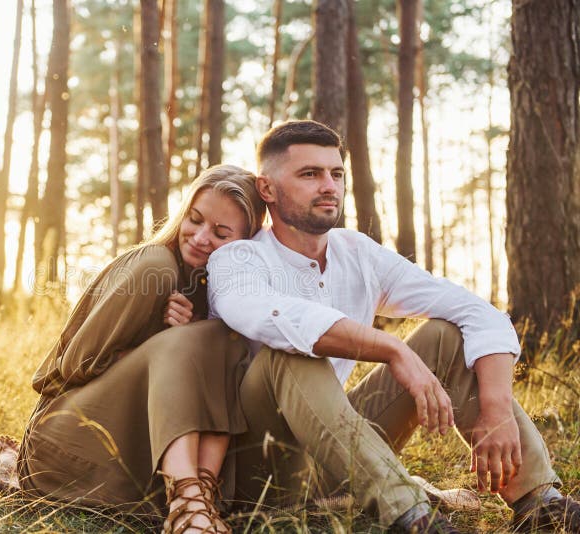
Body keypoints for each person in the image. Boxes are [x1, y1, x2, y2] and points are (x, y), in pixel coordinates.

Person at [205, 120, 580, 533]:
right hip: (258, 469)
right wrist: (393, 349)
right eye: (309, 174)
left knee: (445, 336)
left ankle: (539, 503)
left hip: (338, 453)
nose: (329, 186)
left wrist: (495, 409)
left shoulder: (356, 252)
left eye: (336, 173)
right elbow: (274, 317)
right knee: (293, 353)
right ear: (267, 189)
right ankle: (412, 517)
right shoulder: (238, 259)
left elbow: (475, 311)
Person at [18, 164, 266, 533]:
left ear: (245, 243)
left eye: (220, 232)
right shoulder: (155, 266)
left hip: (132, 454)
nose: (199, 237)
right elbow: (73, 365)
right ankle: (190, 500)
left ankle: (197, 502)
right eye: (194, 219)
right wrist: (164, 344)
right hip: (62, 444)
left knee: (220, 338)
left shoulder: (214, 292)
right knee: (207, 339)